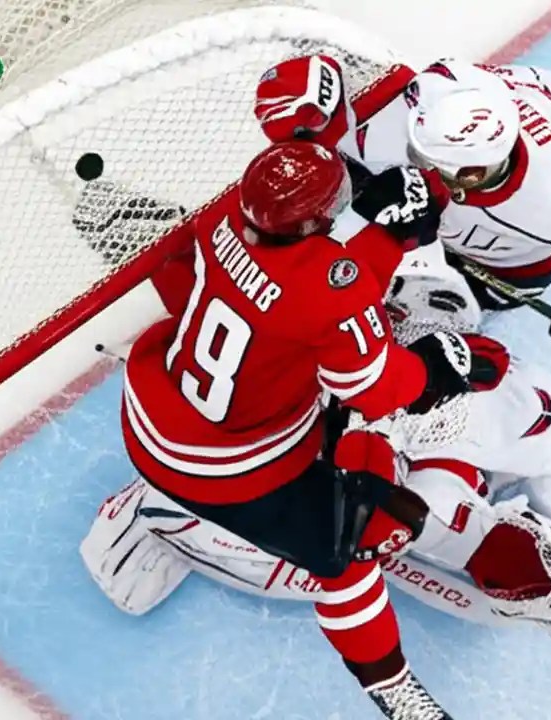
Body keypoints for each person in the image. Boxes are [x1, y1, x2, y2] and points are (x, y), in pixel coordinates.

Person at [85, 242, 551, 662]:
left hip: (363, 445)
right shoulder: (346, 333)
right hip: (282, 436)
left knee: (377, 535)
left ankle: (178, 507)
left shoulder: (516, 414)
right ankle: (163, 511)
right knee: (324, 549)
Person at [115, 139, 475, 717]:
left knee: (321, 397)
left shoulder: (223, 214)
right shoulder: (328, 292)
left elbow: (308, 285)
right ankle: (392, 687)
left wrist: (387, 237)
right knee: (353, 547)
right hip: (223, 471)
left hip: (156, 410)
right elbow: (376, 386)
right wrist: (431, 370)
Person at [254, 54, 551, 379]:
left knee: (407, 325)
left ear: (471, 175)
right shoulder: (441, 93)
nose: (413, 155)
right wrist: (315, 108)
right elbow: (356, 83)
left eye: (426, 159)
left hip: (498, 271)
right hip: (449, 207)